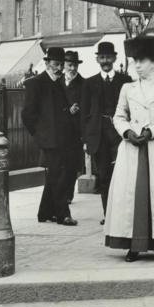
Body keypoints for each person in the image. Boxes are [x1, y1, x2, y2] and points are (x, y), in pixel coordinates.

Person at [105, 33, 154, 262]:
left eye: (142, 60)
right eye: (134, 60)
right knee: (133, 195)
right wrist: (127, 131)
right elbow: (119, 116)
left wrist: (152, 131)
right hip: (132, 148)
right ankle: (133, 244)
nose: (137, 65)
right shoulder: (127, 88)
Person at [22, 47, 77, 226]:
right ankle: (63, 214)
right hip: (49, 139)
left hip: (64, 139)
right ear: (46, 63)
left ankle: (44, 212)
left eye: (61, 64)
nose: (59, 68)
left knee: (55, 174)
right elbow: (27, 114)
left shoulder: (60, 82)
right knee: (58, 175)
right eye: (55, 64)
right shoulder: (35, 83)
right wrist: (39, 135)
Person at [81, 41, 132, 223]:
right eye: (102, 57)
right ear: (97, 59)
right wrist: (85, 139)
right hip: (98, 135)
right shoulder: (89, 83)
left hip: (120, 134)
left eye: (109, 57)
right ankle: (108, 214)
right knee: (104, 176)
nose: (105, 61)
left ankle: (124, 213)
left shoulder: (125, 81)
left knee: (123, 174)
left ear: (115, 58)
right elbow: (84, 114)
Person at [62, 51, 86, 205]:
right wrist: (66, 110)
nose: (72, 68)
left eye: (75, 65)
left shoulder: (83, 84)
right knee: (59, 165)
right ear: (64, 65)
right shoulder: (58, 82)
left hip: (76, 132)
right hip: (60, 131)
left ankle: (68, 195)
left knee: (72, 165)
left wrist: (79, 108)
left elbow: (88, 105)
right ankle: (60, 194)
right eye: (70, 65)